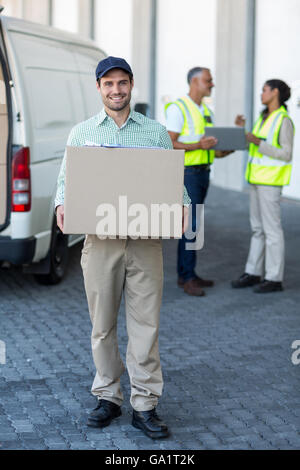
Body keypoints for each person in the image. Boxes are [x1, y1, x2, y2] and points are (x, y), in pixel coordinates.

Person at [55, 56, 191, 439]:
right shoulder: (81, 133)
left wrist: (182, 206)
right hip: (100, 242)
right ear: (98, 88)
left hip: (145, 241)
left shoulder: (155, 133)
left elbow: (172, 180)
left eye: (122, 83)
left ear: (132, 85)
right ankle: (108, 397)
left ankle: (145, 405)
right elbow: (66, 180)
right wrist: (61, 203)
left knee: (146, 325)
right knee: (102, 326)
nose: (116, 90)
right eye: (108, 84)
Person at [165, 67, 233, 297]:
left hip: (203, 172)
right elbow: (169, 142)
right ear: (194, 81)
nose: (212, 84)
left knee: (194, 225)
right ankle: (186, 277)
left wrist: (229, 147)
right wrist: (197, 146)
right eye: (208, 80)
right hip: (187, 174)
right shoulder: (178, 108)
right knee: (190, 225)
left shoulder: (206, 110)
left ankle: (188, 274)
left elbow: (210, 148)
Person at [232, 79, 294, 293]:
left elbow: (286, 154)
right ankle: (253, 272)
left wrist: (258, 142)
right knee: (257, 229)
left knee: (272, 230)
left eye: (264, 90)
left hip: (271, 183)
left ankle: (274, 278)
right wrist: (242, 131)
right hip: (257, 180)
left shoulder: (284, 120)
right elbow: (256, 143)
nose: (261, 94)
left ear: (275, 92)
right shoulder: (264, 117)